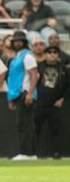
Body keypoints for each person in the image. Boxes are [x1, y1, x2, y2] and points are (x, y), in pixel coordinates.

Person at [7, 30, 39, 161]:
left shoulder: (27, 56)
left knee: (24, 124)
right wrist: (12, 98)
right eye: (16, 41)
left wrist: (30, 94)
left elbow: (34, 75)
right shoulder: (17, 57)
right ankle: (31, 154)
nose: (18, 43)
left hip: (25, 93)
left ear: (24, 42)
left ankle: (26, 153)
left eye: (20, 41)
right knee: (26, 124)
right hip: (19, 94)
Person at [35, 45, 69, 158]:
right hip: (39, 103)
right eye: (49, 52)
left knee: (55, 130)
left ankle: (56, 152)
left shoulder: (64, 69)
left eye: (55, 52)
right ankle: (34, 153)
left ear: (58, 55)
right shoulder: (38, 66)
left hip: (55, 104)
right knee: (36, 128)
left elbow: (68, 86)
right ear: (46, 54)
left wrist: (62, 98)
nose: (52, 54)